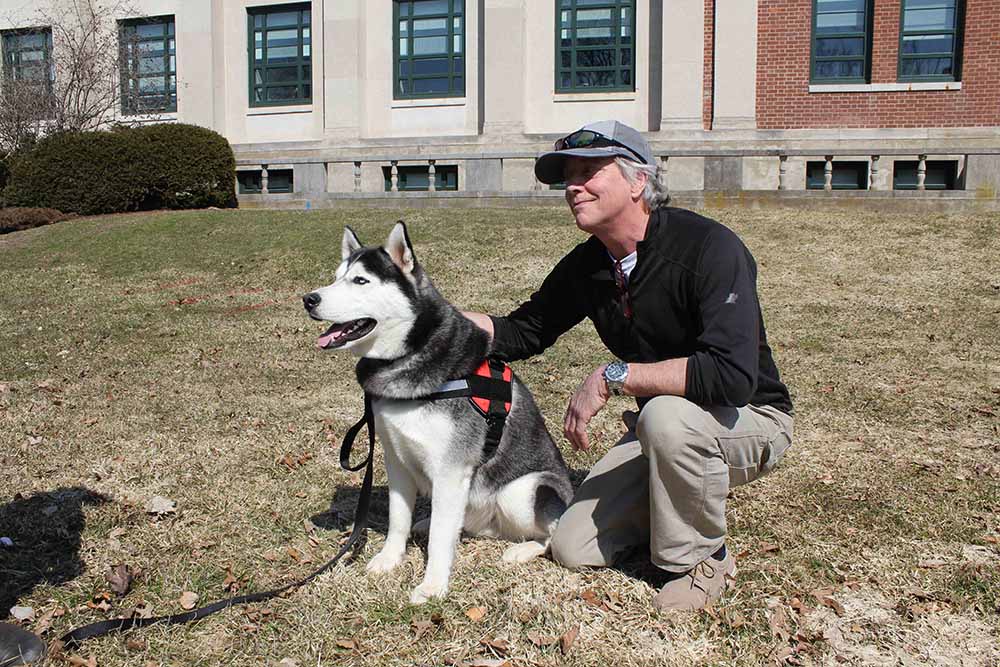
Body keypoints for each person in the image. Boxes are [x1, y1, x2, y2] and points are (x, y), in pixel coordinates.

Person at [464, 120, 793, 610]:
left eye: (589, 171)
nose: (573, 185)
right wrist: (435, 320)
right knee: (574, 547)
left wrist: (613, 375)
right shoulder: (588, 266)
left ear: (639, 180)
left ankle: (701, 558)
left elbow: (731, 375)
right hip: (662, 429)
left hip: (750, 419)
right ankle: (672, 501)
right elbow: (524, 331)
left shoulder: (709, 248)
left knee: (664, 416)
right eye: (568, 176)